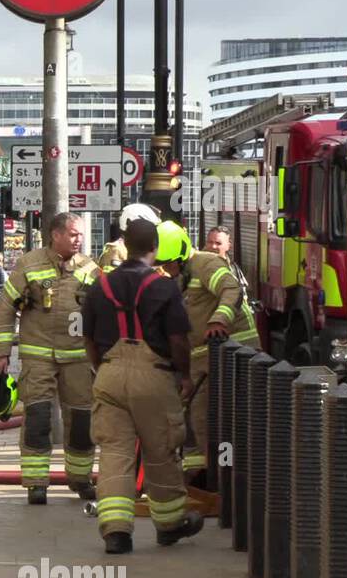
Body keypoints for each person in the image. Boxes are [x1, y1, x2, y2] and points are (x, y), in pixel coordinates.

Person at [82, 204, 202, 554]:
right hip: (154, 376)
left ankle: (116, 532)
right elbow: (179, 339)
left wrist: (101, 367)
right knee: (161, 450)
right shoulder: (164, 288)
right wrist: (184, 376)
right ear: (154, 249)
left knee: (115, 453)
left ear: (126, 245)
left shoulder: (99, 286)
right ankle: (168, 525)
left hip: (109, 372)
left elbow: (87, 337)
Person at [0, 212, 100, 504]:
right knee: (38, 417)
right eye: (74, 234)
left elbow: (102, 312)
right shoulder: (29, 264)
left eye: (80, 235)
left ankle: (80, 478)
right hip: (39, 355)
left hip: (77, 358)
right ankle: (36, 483)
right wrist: (2, 352)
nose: (79, 240)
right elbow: (5, 307)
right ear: (56, 235)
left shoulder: (90, 267)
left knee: (81, 420)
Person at [155, 220, 259, 481]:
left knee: (208, 420)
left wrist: (219, 320)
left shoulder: (205, 263)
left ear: (180, 254)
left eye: (168, 263)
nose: (165, 269)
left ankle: (221, 483)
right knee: (199, 420)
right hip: (205, 359)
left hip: (232, 355)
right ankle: (207, 478)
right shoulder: (183, 275)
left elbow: (231, 289)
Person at [205, 225, 251, 299]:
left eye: (218, 243)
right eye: (210, 242)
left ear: (228, 246)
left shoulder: (234, 270)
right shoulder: (196, 266)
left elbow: (242, 299)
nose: (213, 246)